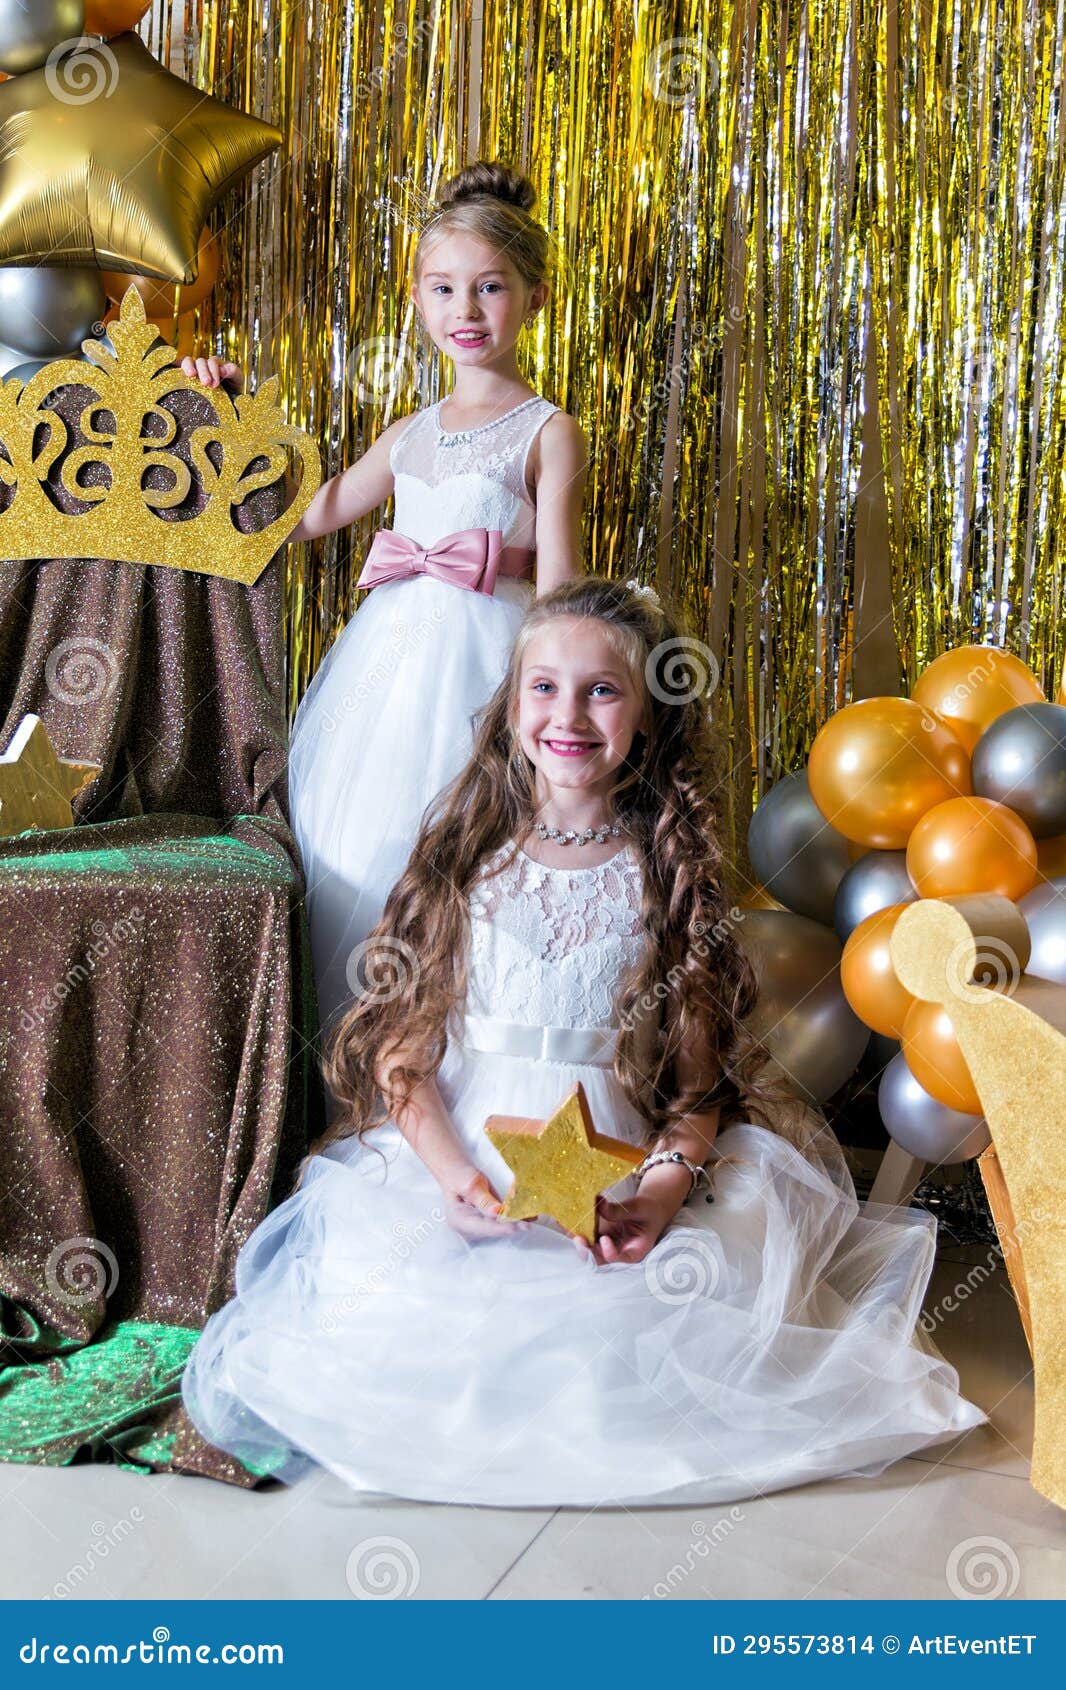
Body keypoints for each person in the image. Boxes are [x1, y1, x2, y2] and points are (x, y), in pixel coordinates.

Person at [181, 577, 986, 1509]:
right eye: (545, 687)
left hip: (614, 1180)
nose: (568, 716)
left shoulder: (668, 876)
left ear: (647, 715)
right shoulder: (461, 860)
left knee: (647, 1341)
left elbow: (695, 1096)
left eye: (602, 691)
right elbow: (402, 1059)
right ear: (510, 705)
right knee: (403, 1313)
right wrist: (455, 1180)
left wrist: (660, 1193)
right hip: (464, 1168)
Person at [182, 159, 585, 1032]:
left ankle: (448, 1064)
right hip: (387, 677)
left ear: (536, 297)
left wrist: (550, 709)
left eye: (490, 287)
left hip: (487, 673)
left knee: (465, 857)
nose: (466, 310)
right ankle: (352, 1064)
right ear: (418, 300)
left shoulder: (548, 432)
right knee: (358, 844)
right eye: (444, 289)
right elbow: (307, 514)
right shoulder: (409, 433)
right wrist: (230, 412)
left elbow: (559, 594)